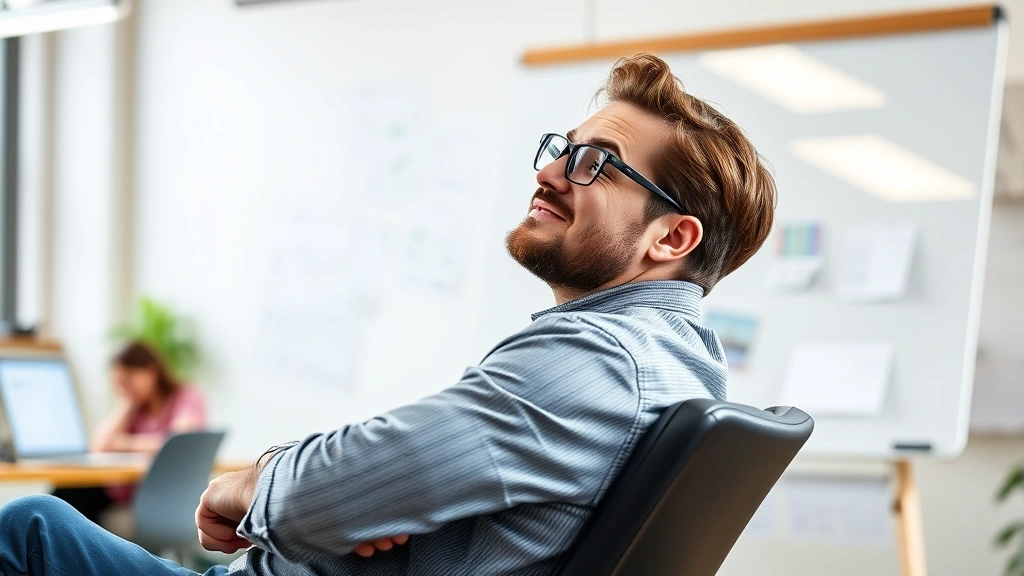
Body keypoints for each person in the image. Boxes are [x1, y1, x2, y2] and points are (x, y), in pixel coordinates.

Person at [0, 53, 776, 576]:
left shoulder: (594, 363)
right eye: (559, 148)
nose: (548, 171)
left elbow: (315, 498)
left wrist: (258, 487)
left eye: (593, 163)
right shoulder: (680, 364)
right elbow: (352, 481)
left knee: (29, 526)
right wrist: (355, 493)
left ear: (671, 236)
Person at [52, 340, 207, 524]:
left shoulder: (186, 396)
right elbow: (98, 448)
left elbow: (179, 442)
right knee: (63, 496)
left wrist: (124, 443)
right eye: (118, 384)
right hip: (123, 493)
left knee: (71, 507)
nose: (124, 388)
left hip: (161, 496)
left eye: (128, 380)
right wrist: (126, 403)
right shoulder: (135, 408)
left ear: (152, 371)